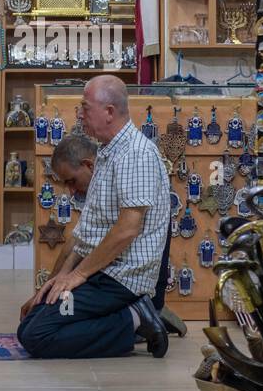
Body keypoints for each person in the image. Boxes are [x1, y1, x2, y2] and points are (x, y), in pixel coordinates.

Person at [16, 75, 170, 358]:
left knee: (36, 335)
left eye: (85, 107)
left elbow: (127, 230)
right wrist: (56, 281)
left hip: (120, 278)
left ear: (109, 112)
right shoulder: (108, 153)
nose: (79, 114)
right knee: (32, 320)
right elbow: (86, 233)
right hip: (100, 271)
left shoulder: (135, 154)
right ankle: (129, 317)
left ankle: (134, 318)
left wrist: (78, 275)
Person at [37, 133, 187, 335]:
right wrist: (49, 288)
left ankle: (144, 315)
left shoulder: (125, 179)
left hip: (125, 281)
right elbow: (78, 240)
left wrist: (75, 275)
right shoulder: (98, 184)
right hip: (106, 274)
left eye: (72, 181)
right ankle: (142, 315)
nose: (71, 191)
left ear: (89, 165)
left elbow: (124, 234)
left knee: (45, 327)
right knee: (43, 318)